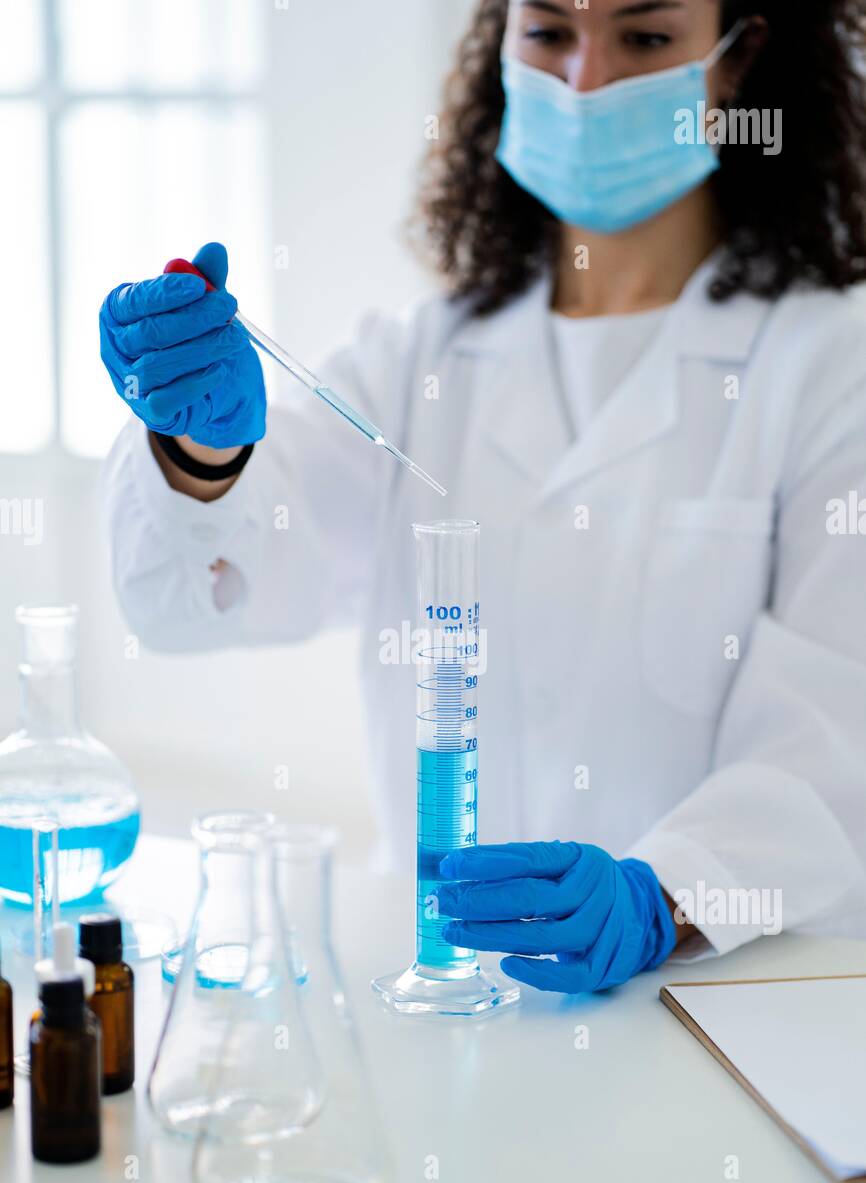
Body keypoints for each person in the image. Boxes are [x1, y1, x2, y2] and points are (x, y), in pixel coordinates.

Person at [100, 0, 866, 994]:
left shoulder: (829, 360)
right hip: (434, 986)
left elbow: (834, 741)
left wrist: (664, 894)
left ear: (735, 62)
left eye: (642, 39)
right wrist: (201, 445)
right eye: (547, 34)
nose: (583, 85)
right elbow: (193, 599)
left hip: (711, 1005)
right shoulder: (419, 354)